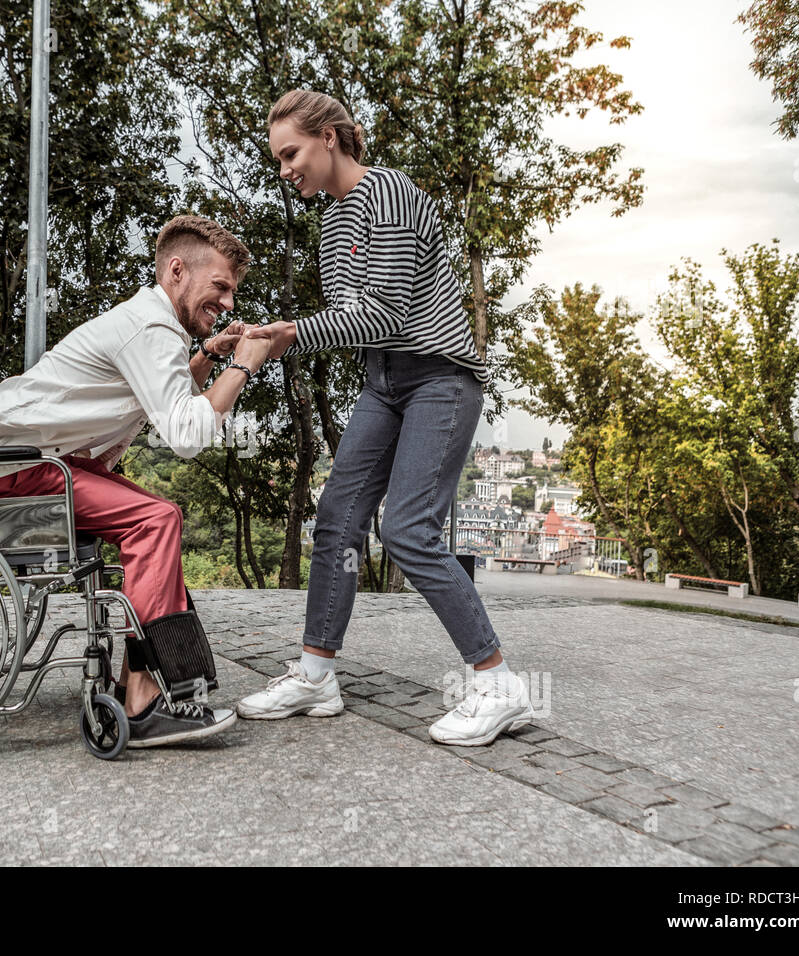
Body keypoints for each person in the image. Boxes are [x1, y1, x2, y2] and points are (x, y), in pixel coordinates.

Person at [236, 90, 535, 746]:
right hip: (384, 382)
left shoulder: (391, 193)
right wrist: (285, 331)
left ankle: (497, 683)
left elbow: (389, 313)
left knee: (406, 529)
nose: (285, 169)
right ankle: (317, 674)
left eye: (291, 153)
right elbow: (353, 318)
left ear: (330, 138)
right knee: (337, 520)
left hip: (439, 380)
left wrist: (287, 335)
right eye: (278, 160)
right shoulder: (331, 225)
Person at [0, 215, 272, 748]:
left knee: (159, 517)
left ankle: (144, 685)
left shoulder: (150, 321)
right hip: (4, 467)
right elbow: (186, 432)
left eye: (233, 292)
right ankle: (139, 703)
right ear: (176, 270)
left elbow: (165, 394)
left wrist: (212, 355)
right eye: (220, 287)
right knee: (156, 520)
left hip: (20, 459)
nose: (228, 303)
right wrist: (244, 366)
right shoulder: (151, 328)